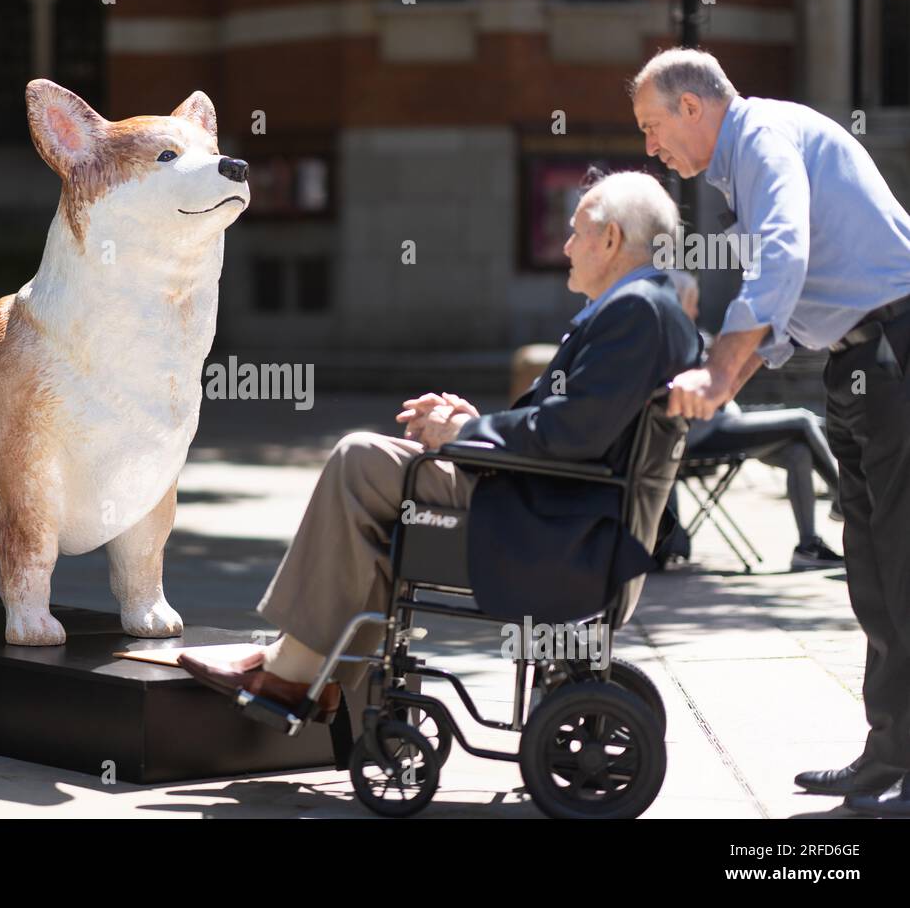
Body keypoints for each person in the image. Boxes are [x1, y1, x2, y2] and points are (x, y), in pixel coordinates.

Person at [178, 171, 700, 722]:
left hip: (554, 523)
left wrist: (463, 435)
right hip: (560, 505)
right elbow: (577, 426)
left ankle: (295, 673)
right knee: (376, 484)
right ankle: (310, 670)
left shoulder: (634, 310)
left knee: (361, 461)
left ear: (611, 239)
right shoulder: (651, 307)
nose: (567, 246)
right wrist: (479, 425)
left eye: (576, 232)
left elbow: (572, 434)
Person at [630, 47, 910, 814]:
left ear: (693, 106)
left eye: (653, 125)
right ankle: (890, 753)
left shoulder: (761, 140)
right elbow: (783, 312)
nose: (650, 146)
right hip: (859, 361)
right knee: (874, 571)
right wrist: (724, 382)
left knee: (901, 563)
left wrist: (720, 373)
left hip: (895, 349)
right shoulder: (745, 161)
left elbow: (783, 255)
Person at [660, 269, 843, 570]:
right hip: (706, 432)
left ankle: (808, 547)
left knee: (798, 452)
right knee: (802, 421)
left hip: (724, 426)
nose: (697, 311)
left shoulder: (686, 336)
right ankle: (844, 497)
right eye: (692, 302)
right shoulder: (670, 338)